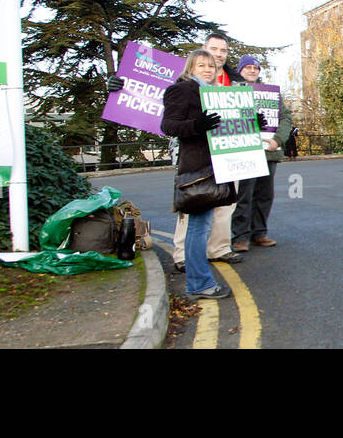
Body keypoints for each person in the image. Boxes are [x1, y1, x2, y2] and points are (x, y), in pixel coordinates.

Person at [107, 32, 239, 272]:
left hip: (227, 155)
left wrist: (255, 123)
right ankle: (184, 256)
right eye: (212, 51)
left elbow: (240, 113)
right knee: (195, 205)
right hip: (195, 157)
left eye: (223, 51)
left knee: (222, 204)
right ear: (201, 52)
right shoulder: (184, 83)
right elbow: (153, 98)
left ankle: (218, 249)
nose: (218, 55)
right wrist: (116, 85)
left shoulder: (234, 80)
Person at [161, 49, 237, 299]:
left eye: (211, 66)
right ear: (190, 67)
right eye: (201, 65)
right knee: (198, 227)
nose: (207, 69)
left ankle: (199, 282)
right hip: (197, 169)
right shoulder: (181, 90)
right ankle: (199, 284)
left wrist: (251, 121)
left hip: (217, 166)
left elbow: (224, 125)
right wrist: (196, 125)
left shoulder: (214, 94)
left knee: (202, 226)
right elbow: (168, 126)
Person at [228, 55, 293, 253]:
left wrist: (277, 140)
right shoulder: (232, 91)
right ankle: (240, 236)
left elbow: (286, 117)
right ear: (240, 70)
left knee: (265, 195)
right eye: (247, 67)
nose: (252, 71)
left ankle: (259, 233)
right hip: (244, 152)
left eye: (255, 68)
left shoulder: (271, 94)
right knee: (244, 195)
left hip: (268, 152)